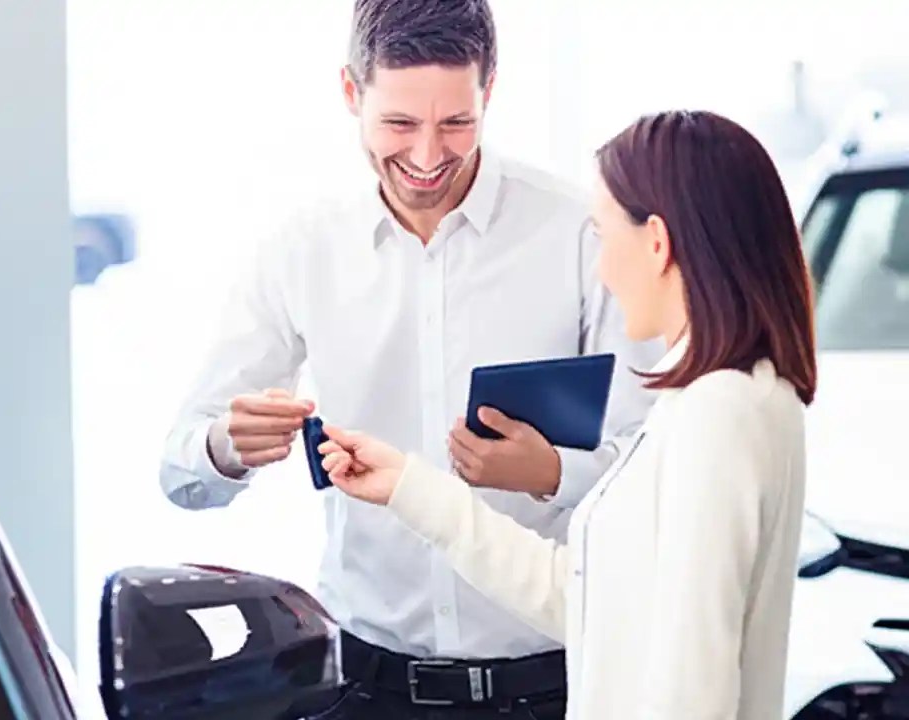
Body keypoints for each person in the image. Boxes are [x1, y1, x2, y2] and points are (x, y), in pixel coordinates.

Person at [159, 1, 660, 717]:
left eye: (456, 123)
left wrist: (553, 473)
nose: (428, 157)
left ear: (489, 91)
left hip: (555, 687)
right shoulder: (302, 251)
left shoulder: (580, 234)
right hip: (364, 689)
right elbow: (180, 475)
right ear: (350, 92)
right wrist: (224, 445)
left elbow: (654, 469)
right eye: (399, 124)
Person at [316, 110, 818, 720]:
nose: (602, 269)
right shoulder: (730, 399)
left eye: (604, 237)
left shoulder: (718, 415)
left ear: (656, 242)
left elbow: (693, 686)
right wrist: (408, 486)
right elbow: (586, 601)